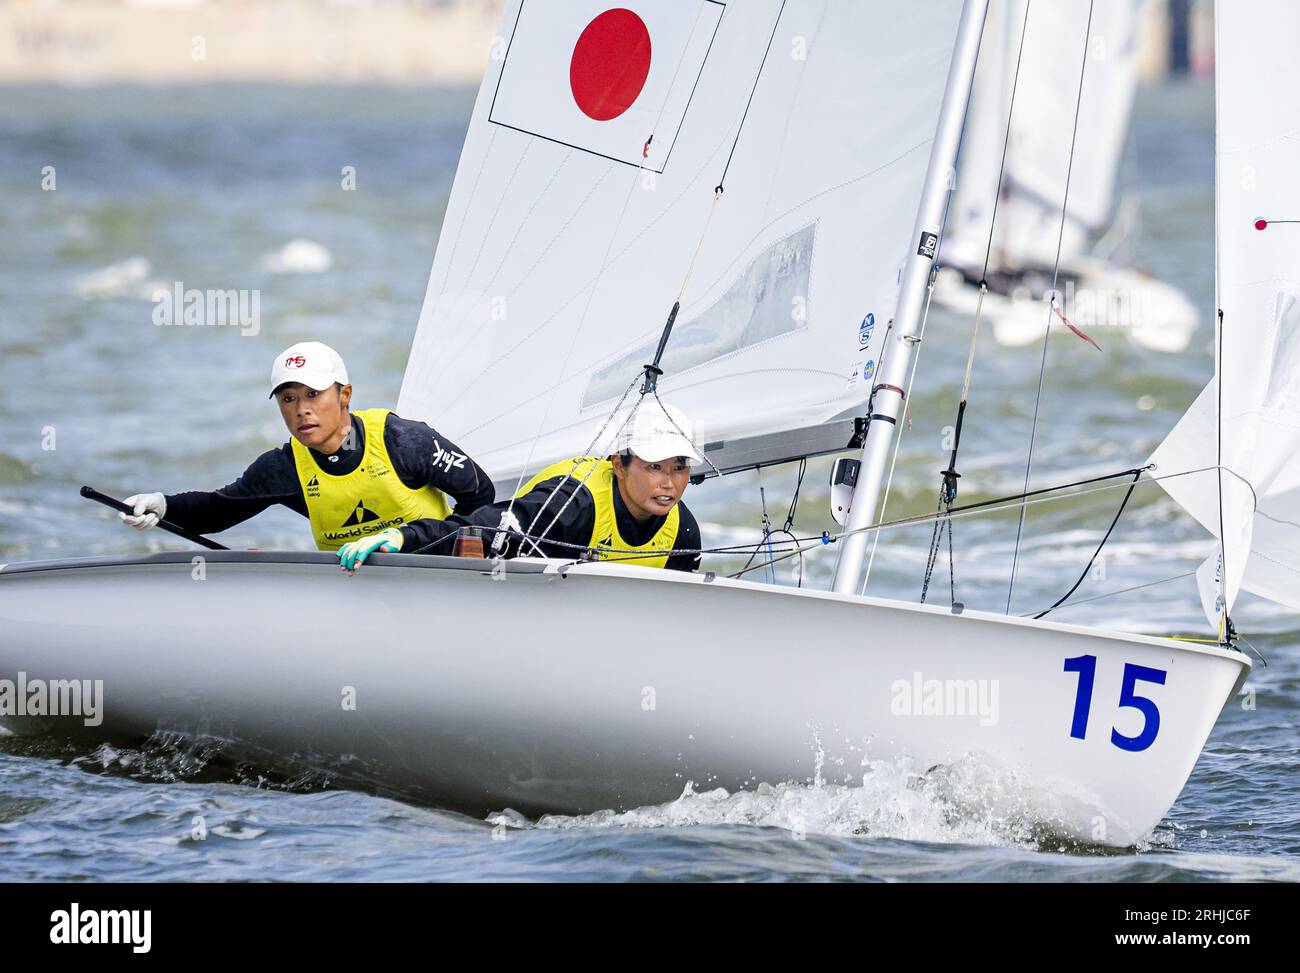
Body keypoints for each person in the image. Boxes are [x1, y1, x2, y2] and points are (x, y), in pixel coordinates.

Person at [119, 341, 494, 551]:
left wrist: (447, 546)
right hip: (352, 594)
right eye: (288, 399)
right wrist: (162, 505)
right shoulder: (283, 468)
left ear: (344, 395)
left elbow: (482, 495)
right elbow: (218, 511)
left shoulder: (404, 442)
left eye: (314, 394)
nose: (302, 410)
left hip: (432, 582)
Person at [337, 401, 703, 573]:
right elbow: (478, 529)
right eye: (654, 466)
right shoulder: (570, 504)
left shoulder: (682, 530)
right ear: (618, 465)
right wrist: (404, 539)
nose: (669, 482)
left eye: (680, 467)